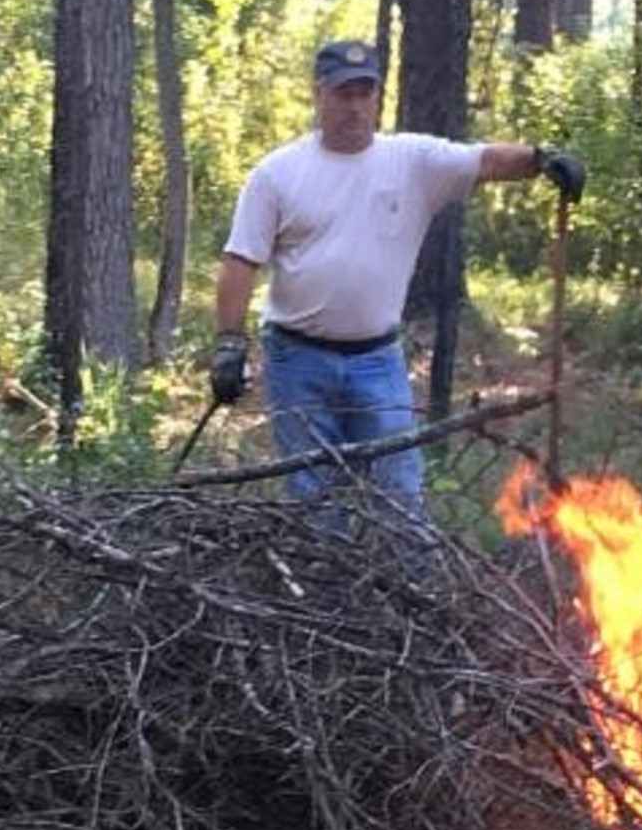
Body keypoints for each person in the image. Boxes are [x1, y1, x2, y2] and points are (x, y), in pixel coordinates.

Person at [208, 38, 584, 523]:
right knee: (314, 493)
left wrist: (541, 159)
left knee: (399, 491)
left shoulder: (412, 161)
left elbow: (485, 160)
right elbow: (241, 261)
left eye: (366, 93)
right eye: (344, 93)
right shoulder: (277, 174)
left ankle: (409, 588)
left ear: (378, 97)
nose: (355, 105)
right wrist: (229, 344)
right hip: (297, 359)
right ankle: (325, 591)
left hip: (377, 360)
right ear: (318, 93)